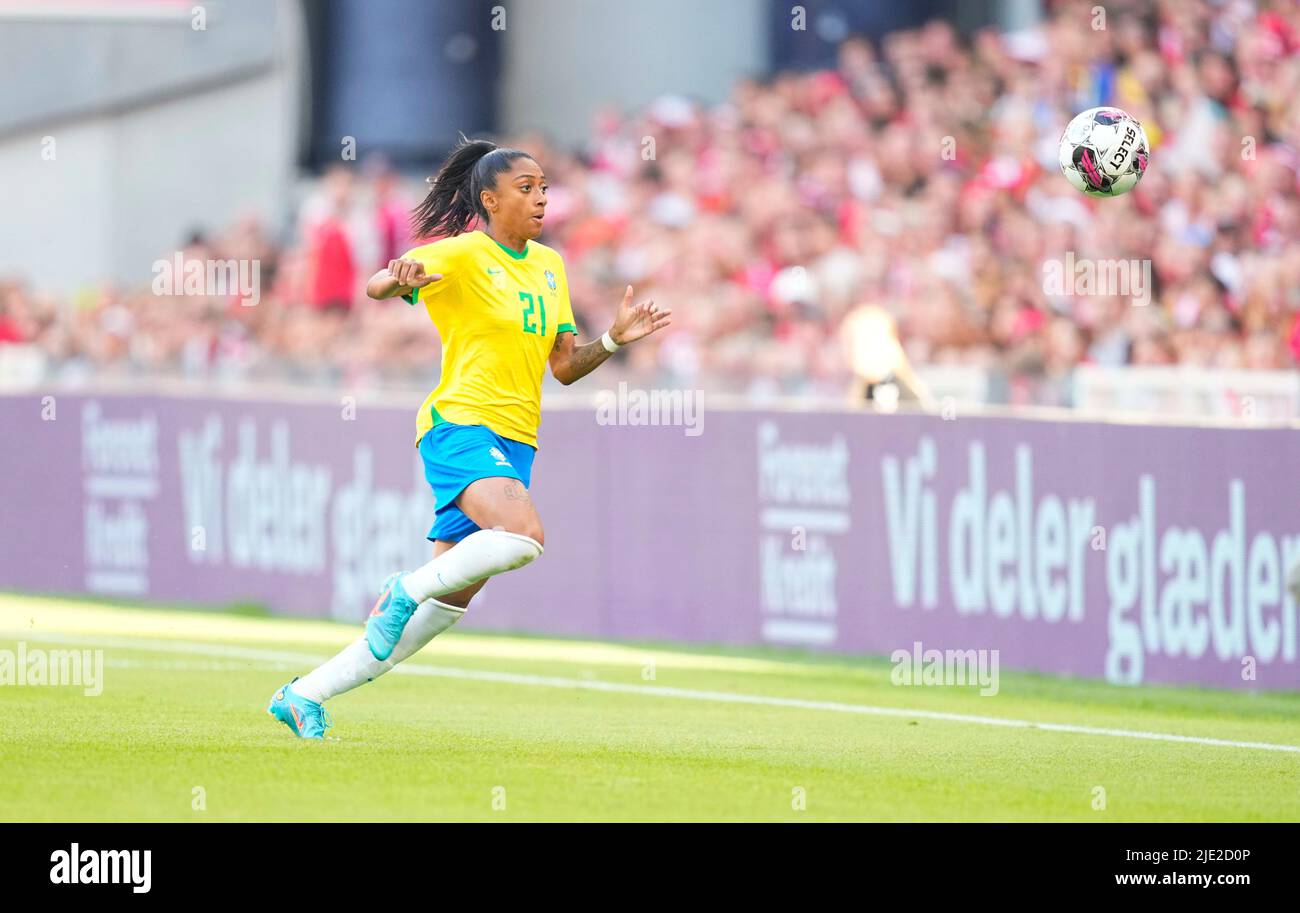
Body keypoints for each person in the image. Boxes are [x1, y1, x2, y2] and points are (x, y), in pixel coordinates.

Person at [268, 139, 671, 737]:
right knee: (525, 537)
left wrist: (611, 341)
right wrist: (391, 278)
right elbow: (381, 286)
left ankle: (304, 695)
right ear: (490, 198)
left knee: (440, 612)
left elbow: (562, 367)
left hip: (516, 443)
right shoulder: (461, 255)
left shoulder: (549, 265)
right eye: (526, 188)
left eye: (544, 188)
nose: (540, 198)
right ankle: (398, 588)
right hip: (460, 424)